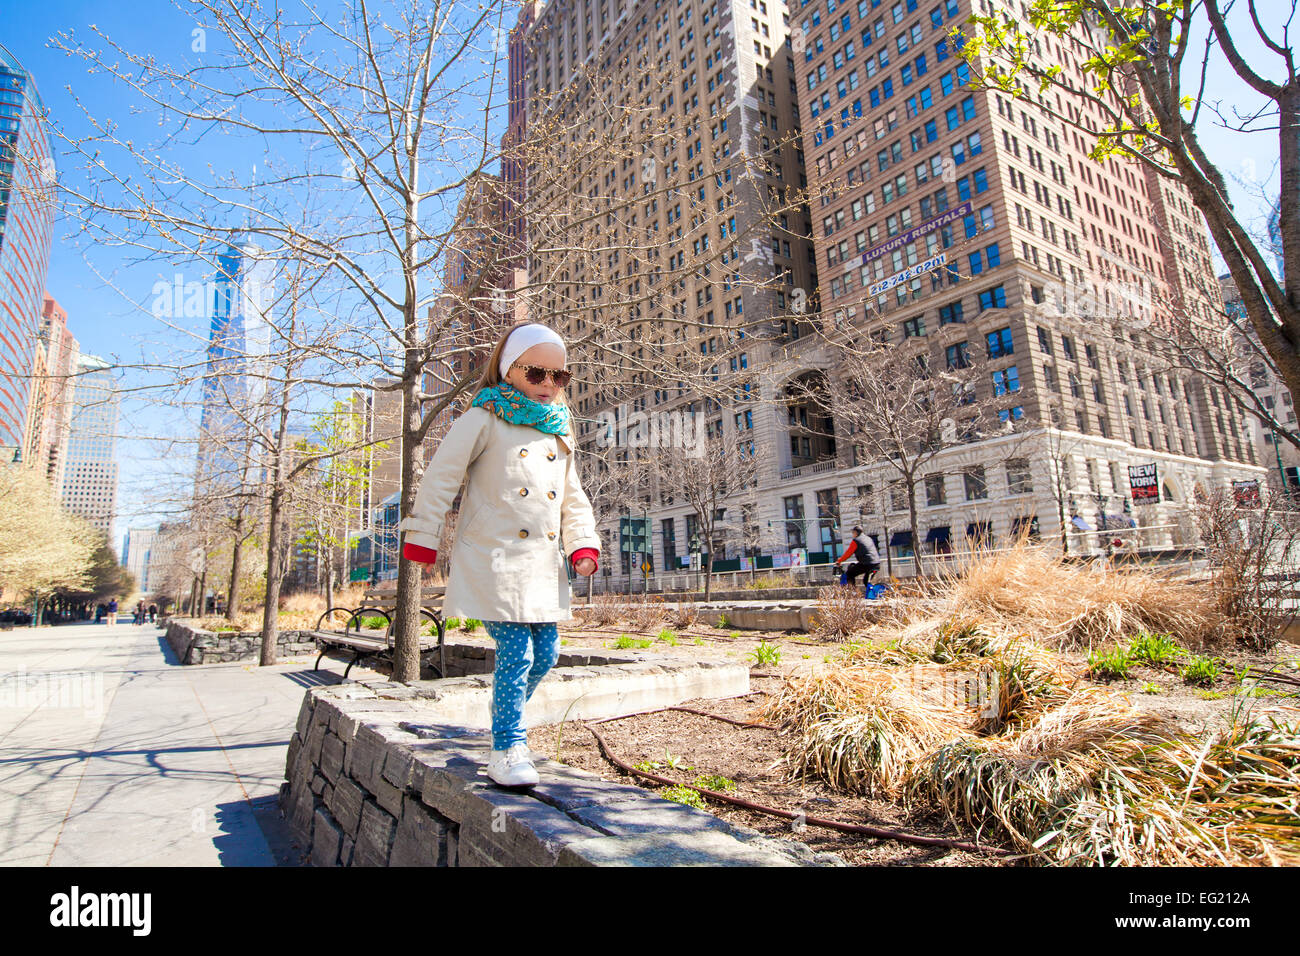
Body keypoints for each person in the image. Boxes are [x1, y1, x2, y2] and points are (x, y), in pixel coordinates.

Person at [400, 322, 601, 788]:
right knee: (517, 653)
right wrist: (423, 536)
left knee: (547, 654)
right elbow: (441, 478)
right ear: (508, 369)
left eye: (560, 377)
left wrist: (583, 543)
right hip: (492, 560)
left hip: (541, 566)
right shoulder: (482, 417)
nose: (549, 385)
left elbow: (573, 496)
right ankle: (508, 746)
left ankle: (502, 707)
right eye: (537, 373)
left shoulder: (559, 430)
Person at [833, 526, 882, 596]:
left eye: (853, 533)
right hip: (876, 563)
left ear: (856, 533)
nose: (852, 534)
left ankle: (854, 593)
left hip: (867, 564)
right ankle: (874, 594)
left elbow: (848, 553)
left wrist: (839, 561)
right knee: (866, 581)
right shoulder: (869, 539)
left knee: (850, 574)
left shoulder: (856, 541)